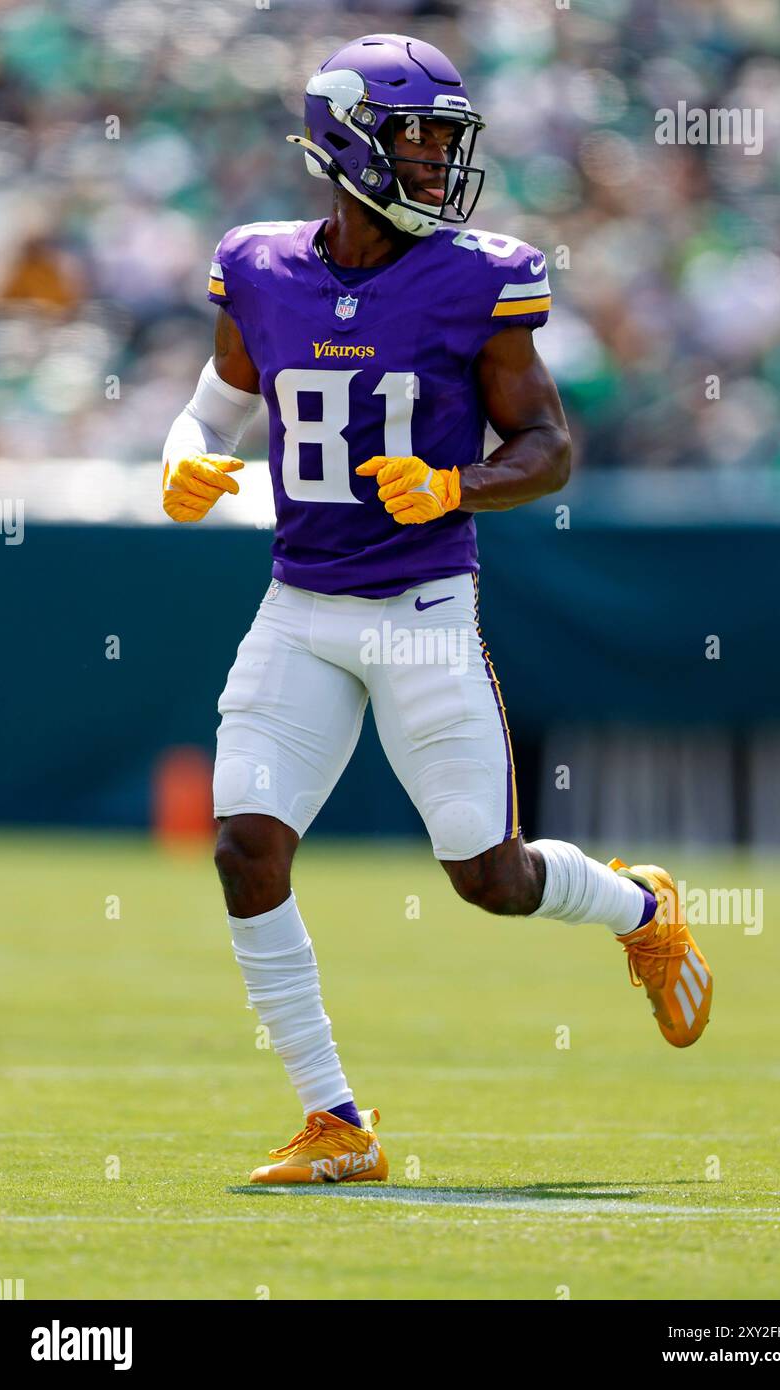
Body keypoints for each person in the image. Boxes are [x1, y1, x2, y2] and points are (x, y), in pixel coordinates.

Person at [161, 33, 712, 1186]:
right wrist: (181, 455)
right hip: (299, 604)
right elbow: (214, 406)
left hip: (419, 606)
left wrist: (456, 483)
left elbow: (549, 447)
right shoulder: (257, 265)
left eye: (442, 139)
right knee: (243, 849)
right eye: (412, 135)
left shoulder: (476, 275)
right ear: (344, 137)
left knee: (486, 876)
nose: (431, 159)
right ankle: (336, 1122)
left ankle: (633, 905)